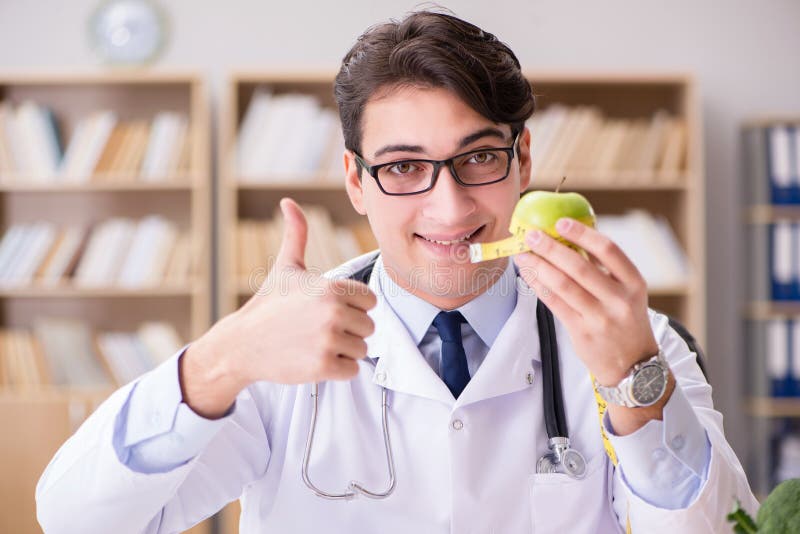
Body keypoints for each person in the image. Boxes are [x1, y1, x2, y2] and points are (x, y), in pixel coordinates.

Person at [36, 10, 757, 534]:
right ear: (355, 180)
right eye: (405, 166)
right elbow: (75, 519)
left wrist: (631, 380)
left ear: (523, 161)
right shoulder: (275, 352)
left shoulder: (631, 340)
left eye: (478, 157)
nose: (449, 209)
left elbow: (719, 531)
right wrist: (221, 361)